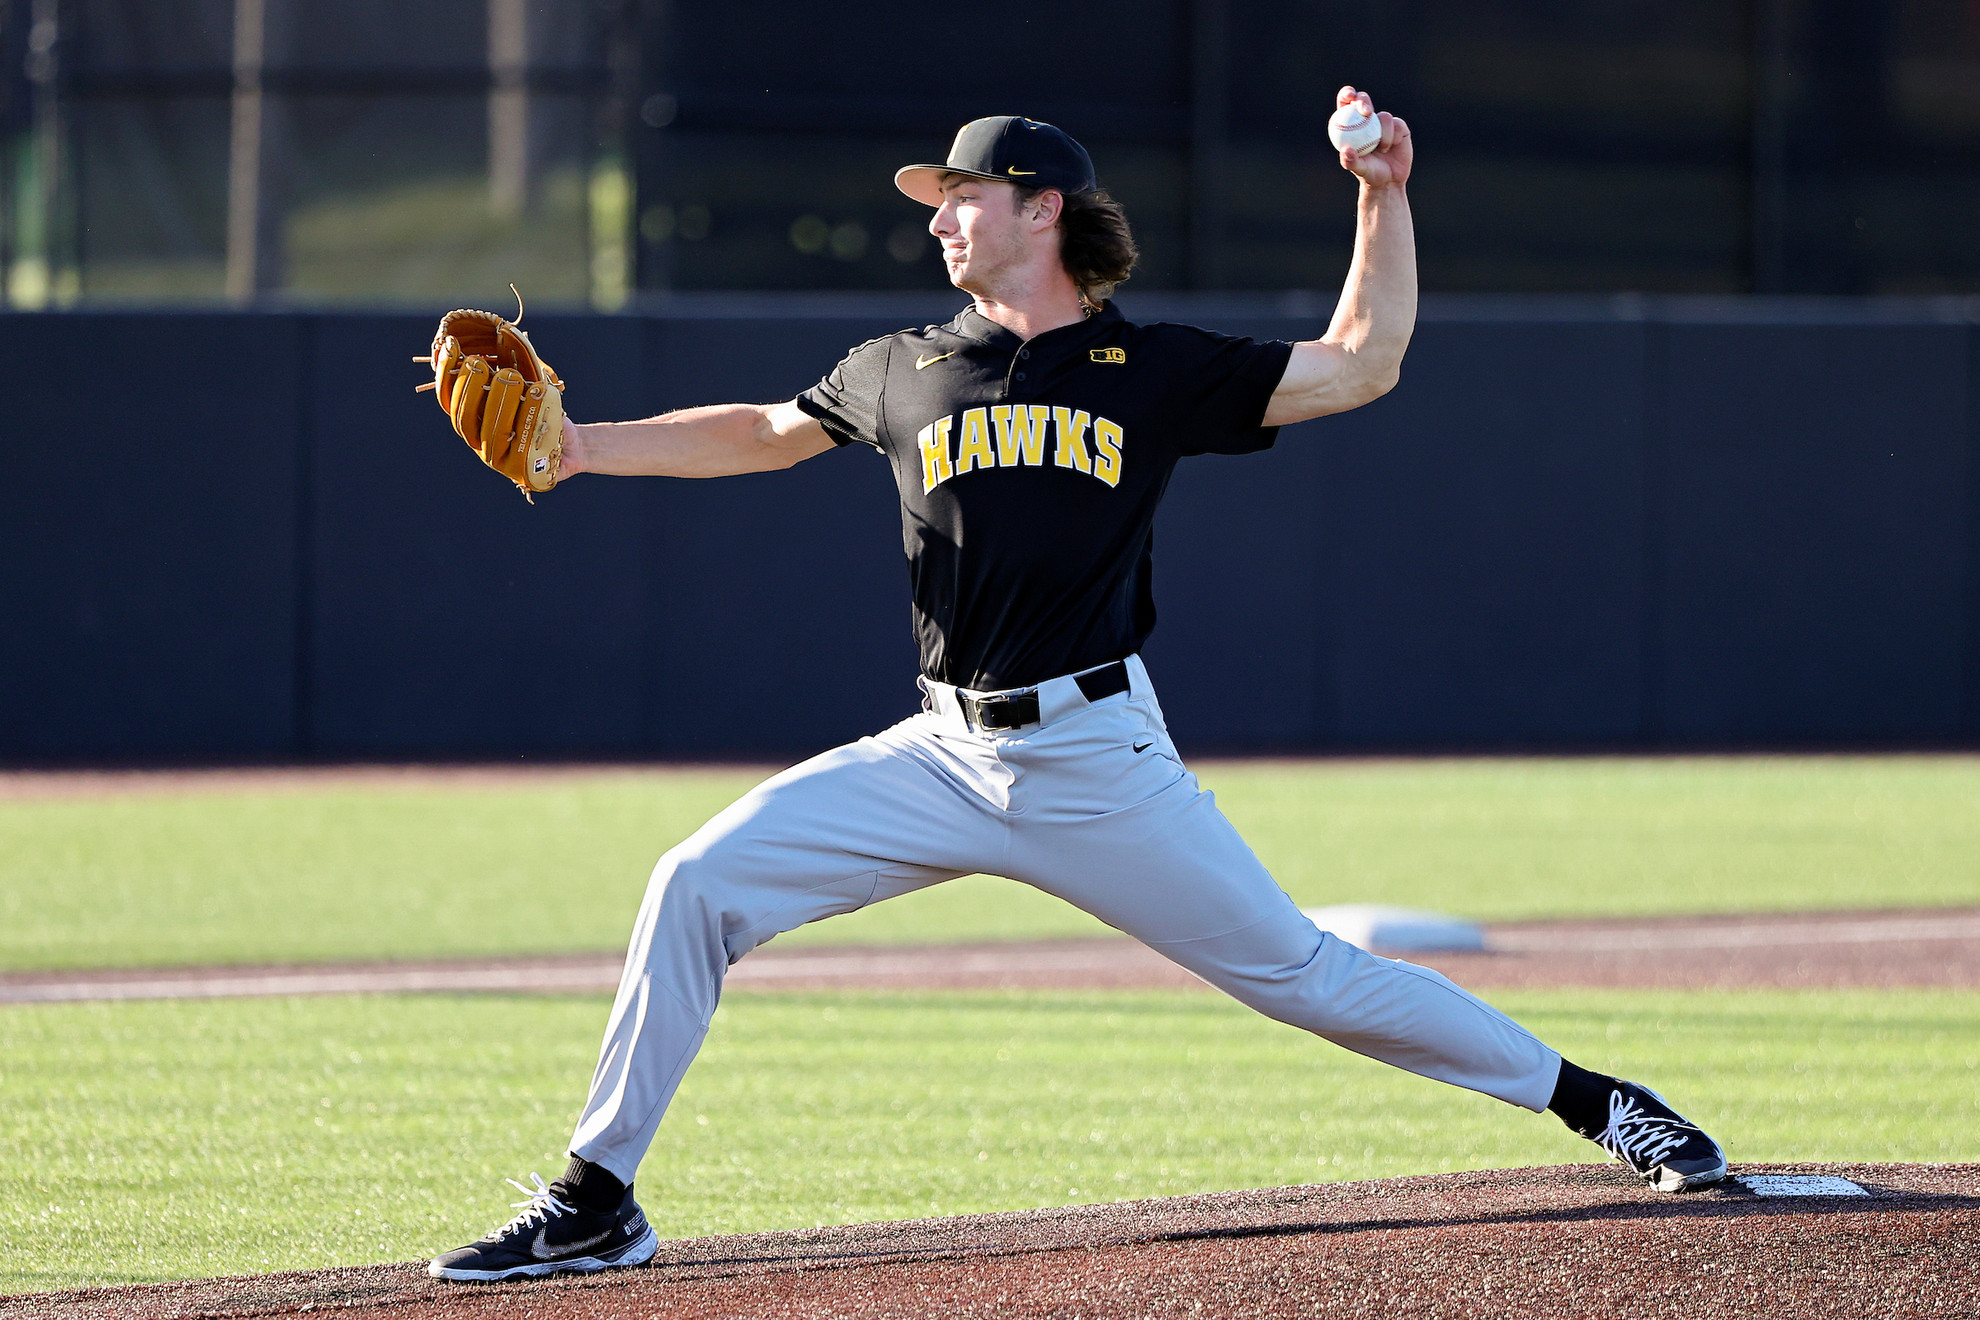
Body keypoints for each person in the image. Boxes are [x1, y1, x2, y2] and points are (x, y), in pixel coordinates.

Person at [427, 90, 1728, 1282]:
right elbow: (766, 432)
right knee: (695, 883)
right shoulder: (903, 366)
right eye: (936, 198)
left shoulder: (1150, 369)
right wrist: (584, 447)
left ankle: (1598, 1103)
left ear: (1042, 207)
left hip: (1096, 760)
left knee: (1308, 978)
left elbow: (1363, 357)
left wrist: (1381, 195)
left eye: (964, 193)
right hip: (938, 755)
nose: (941, 215)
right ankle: (600, 1198)